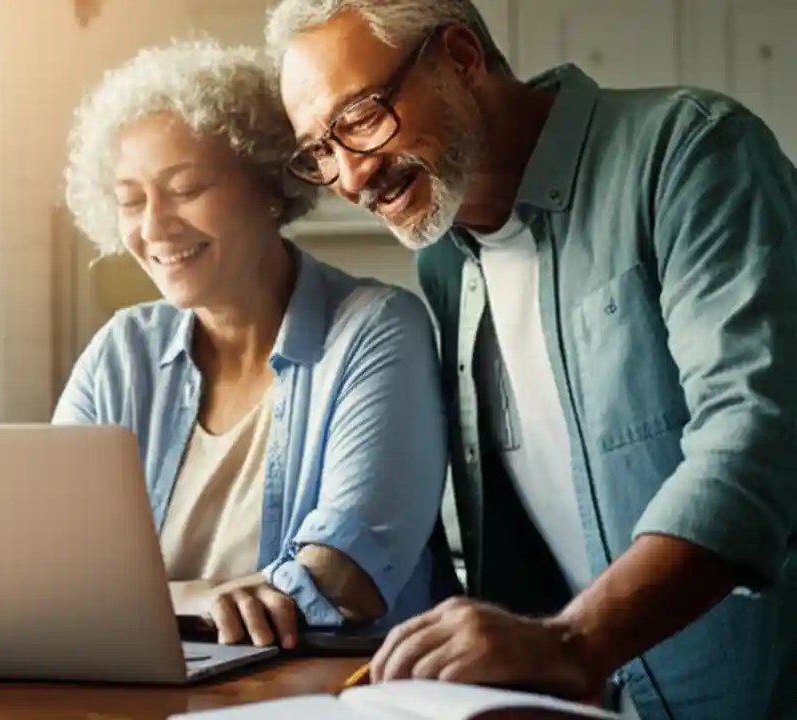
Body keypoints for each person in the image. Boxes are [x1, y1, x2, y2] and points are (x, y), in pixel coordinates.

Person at [266, 0, 797, 717]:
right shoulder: (446, 266)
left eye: (360, 119)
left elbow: (756, 441)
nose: (353, 178)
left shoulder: (689, 151)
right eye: (320, 151)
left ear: (459, 56)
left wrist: (572, 641)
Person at [55, 38, 459, 649]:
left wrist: (135, 605)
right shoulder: (123, 353)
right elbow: (49, 570)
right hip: (151, 690)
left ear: (271, 184)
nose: (155, 227)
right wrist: (194, 599)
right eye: (132, 201)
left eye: (186, 188)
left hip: (332, 693)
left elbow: (348, 578)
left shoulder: (376, 329)